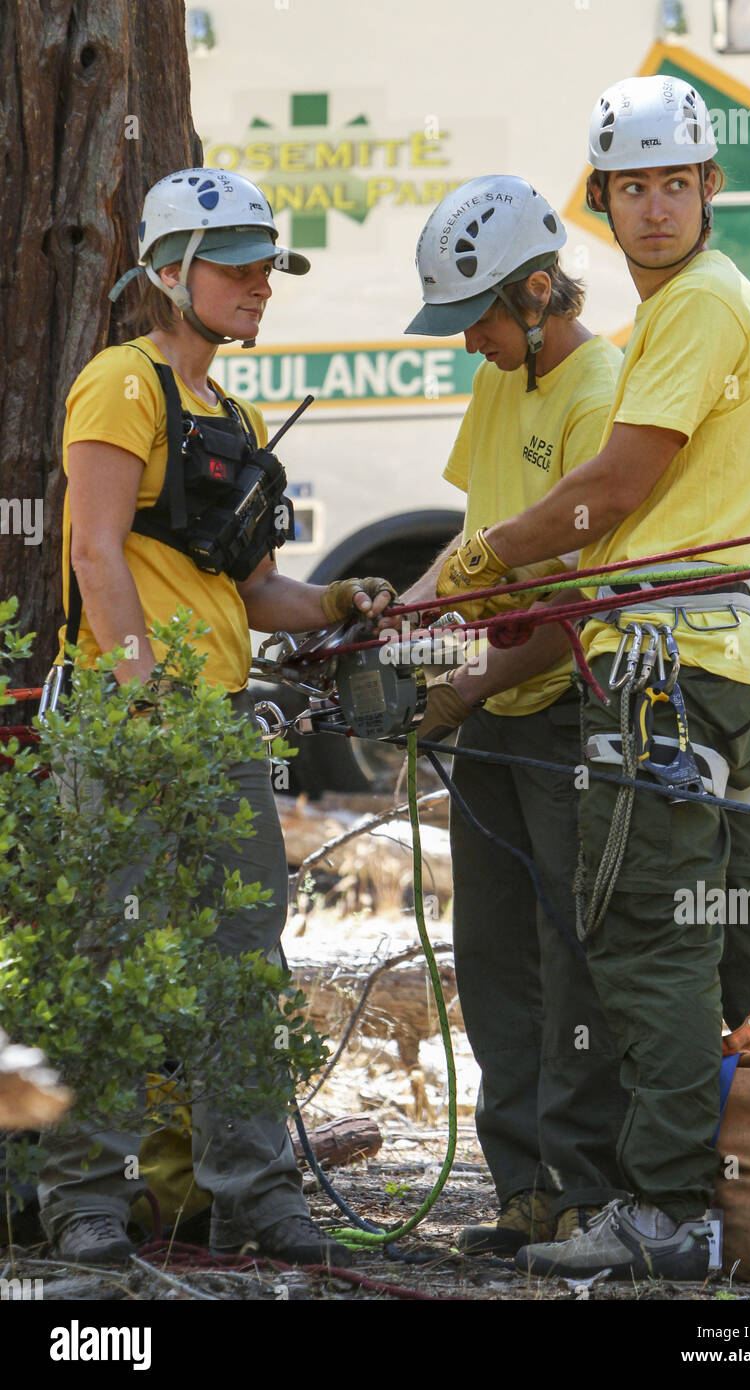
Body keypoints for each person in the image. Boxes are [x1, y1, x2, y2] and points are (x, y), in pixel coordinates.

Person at [432, 79, 750, 1280]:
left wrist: (476, 560)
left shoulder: (694, 310)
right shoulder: (694, 307)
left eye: (675, 183)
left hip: (669, 679)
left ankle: (663, 1208)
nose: (655, 207)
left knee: (648, 941)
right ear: (603, 203)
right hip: (732, 670)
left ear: (708, 188)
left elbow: (605, 497)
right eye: (632, 188)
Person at [38, 167, 395, 1267]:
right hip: (125, 720)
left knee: (243, 963)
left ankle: (257, 1195)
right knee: (106, 958)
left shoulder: (229, 415)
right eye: (236, 266)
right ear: (168, 271)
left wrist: (338, 601)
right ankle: (82, 1203)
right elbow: (95, 551)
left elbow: (251, 592)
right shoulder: (120, 384)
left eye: (264, 266)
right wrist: (147, 701)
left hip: (217, 724)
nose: (259, 284)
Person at [401, 174, 629, 1254]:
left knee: (568, 950)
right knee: (489, 950)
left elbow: (578, 601)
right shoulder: (503, 380)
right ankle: (521, 1189)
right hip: (496, 709)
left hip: (563, 714)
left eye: (478, 319)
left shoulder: (600, 392)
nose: (466, 344)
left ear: (538, 293)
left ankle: (587, 1189)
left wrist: (461, 687)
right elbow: (472, 534)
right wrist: (398, 625)